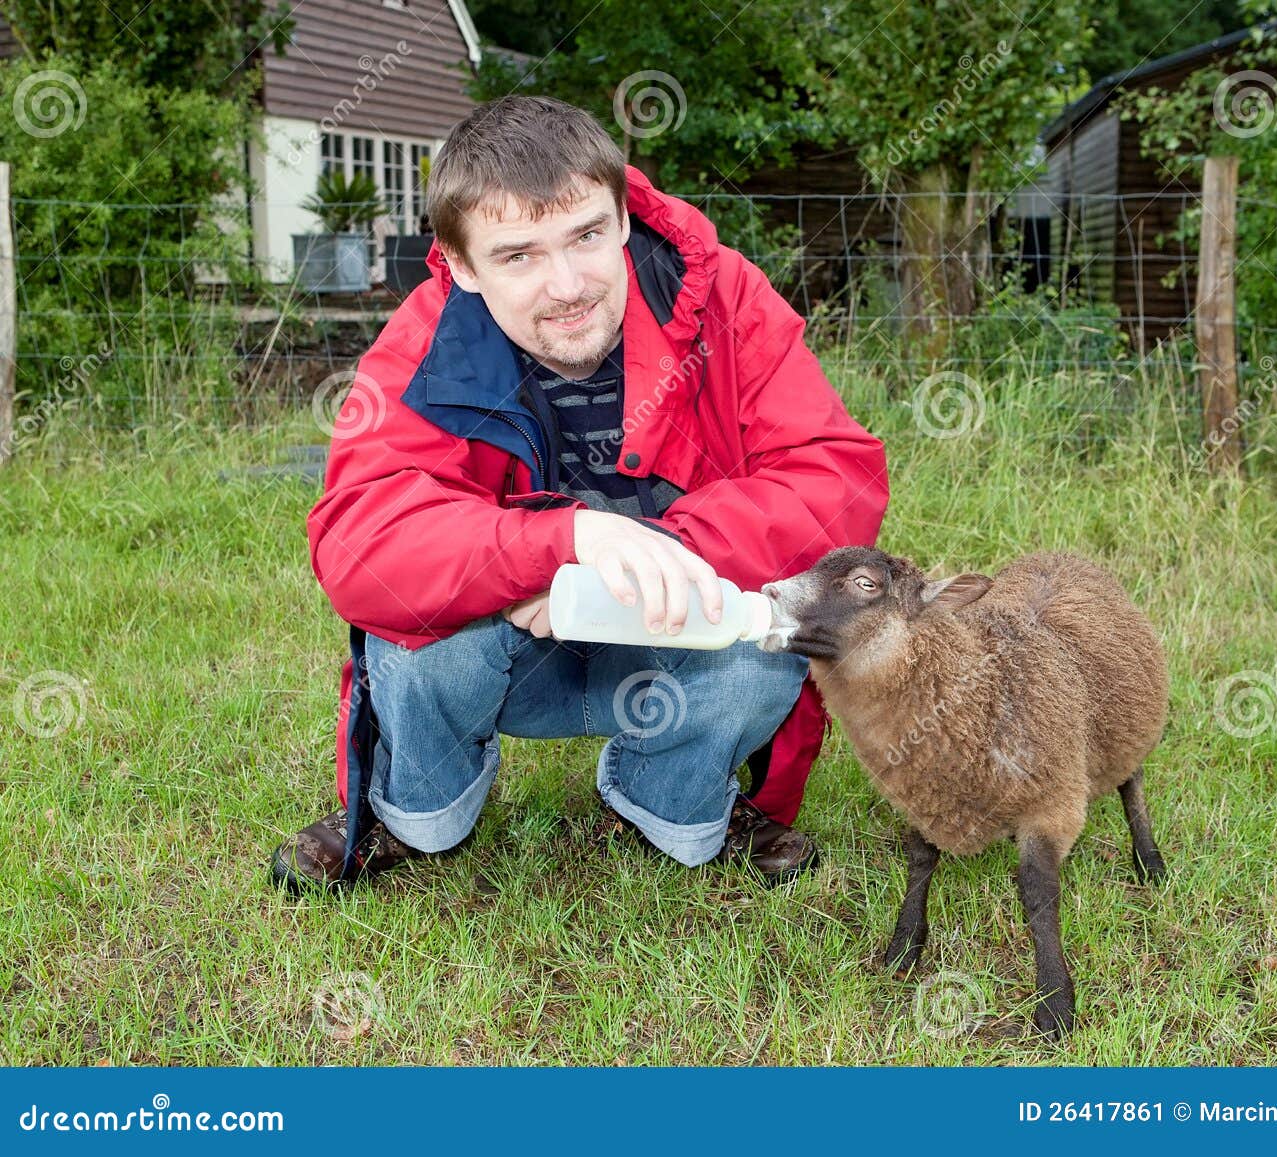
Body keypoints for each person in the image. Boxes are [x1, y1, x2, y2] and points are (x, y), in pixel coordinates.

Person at [269, 96, 888, 892]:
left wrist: (661, 552)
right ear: (460, 265)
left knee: (767, 638)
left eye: (587, 236)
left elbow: (837, 477)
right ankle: (412, 812)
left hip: (670, 629)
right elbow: (361, 543)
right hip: (511, 642)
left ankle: (666, 799)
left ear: (623, 217)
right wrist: (561, 546)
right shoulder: (429, 339)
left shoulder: (721, 295)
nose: (567, 285)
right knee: (409, 627)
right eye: (519, 254)